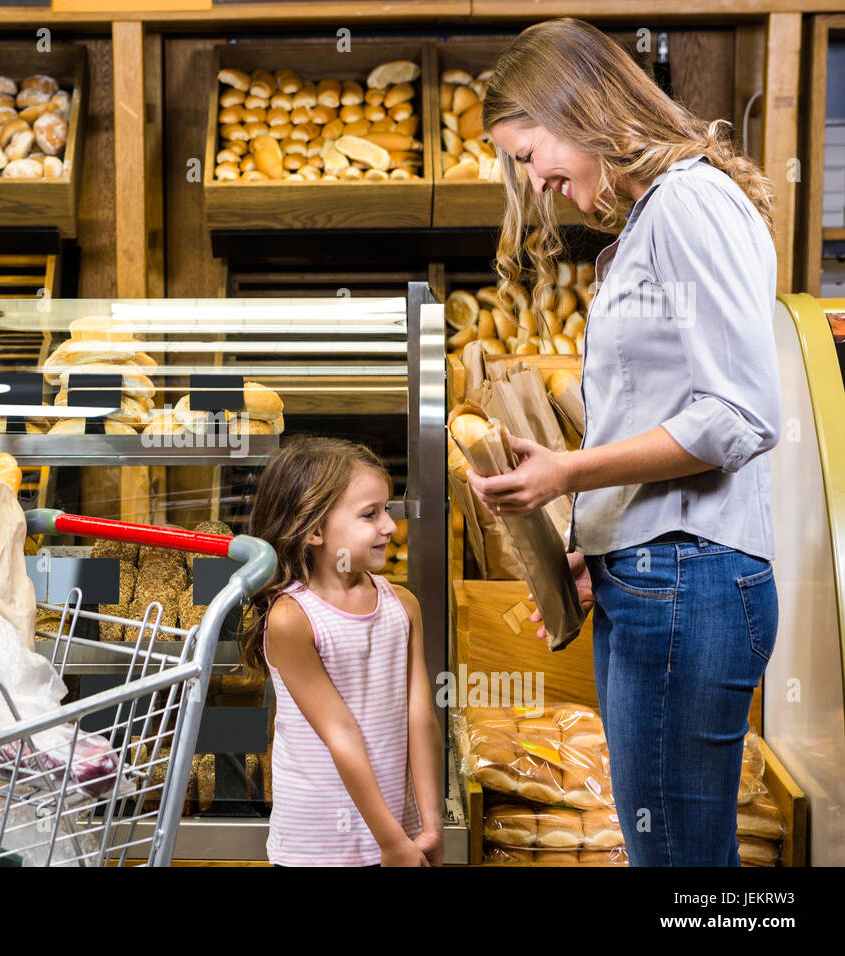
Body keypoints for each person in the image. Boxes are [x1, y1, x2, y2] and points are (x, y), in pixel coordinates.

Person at [467, 18, 781, 866]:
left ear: (579, 107)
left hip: (687, 585)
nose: (535, 184)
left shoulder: (687, 202)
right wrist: (597, 541)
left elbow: (739, 415)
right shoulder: (655, 216)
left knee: (678, 867)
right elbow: (663, 414)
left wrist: (568, 472)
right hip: (663, 577)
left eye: (531, 154)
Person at [240, 435, 443, 866]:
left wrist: (430, 826)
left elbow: (421, 718)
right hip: (316, 846)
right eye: (370, 514)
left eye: (387, 509)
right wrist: (392, 842)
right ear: (313, 530)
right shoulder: (293, 619)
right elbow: (341, 734)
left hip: (399, 833)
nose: (389, 526)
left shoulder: (403, 606)